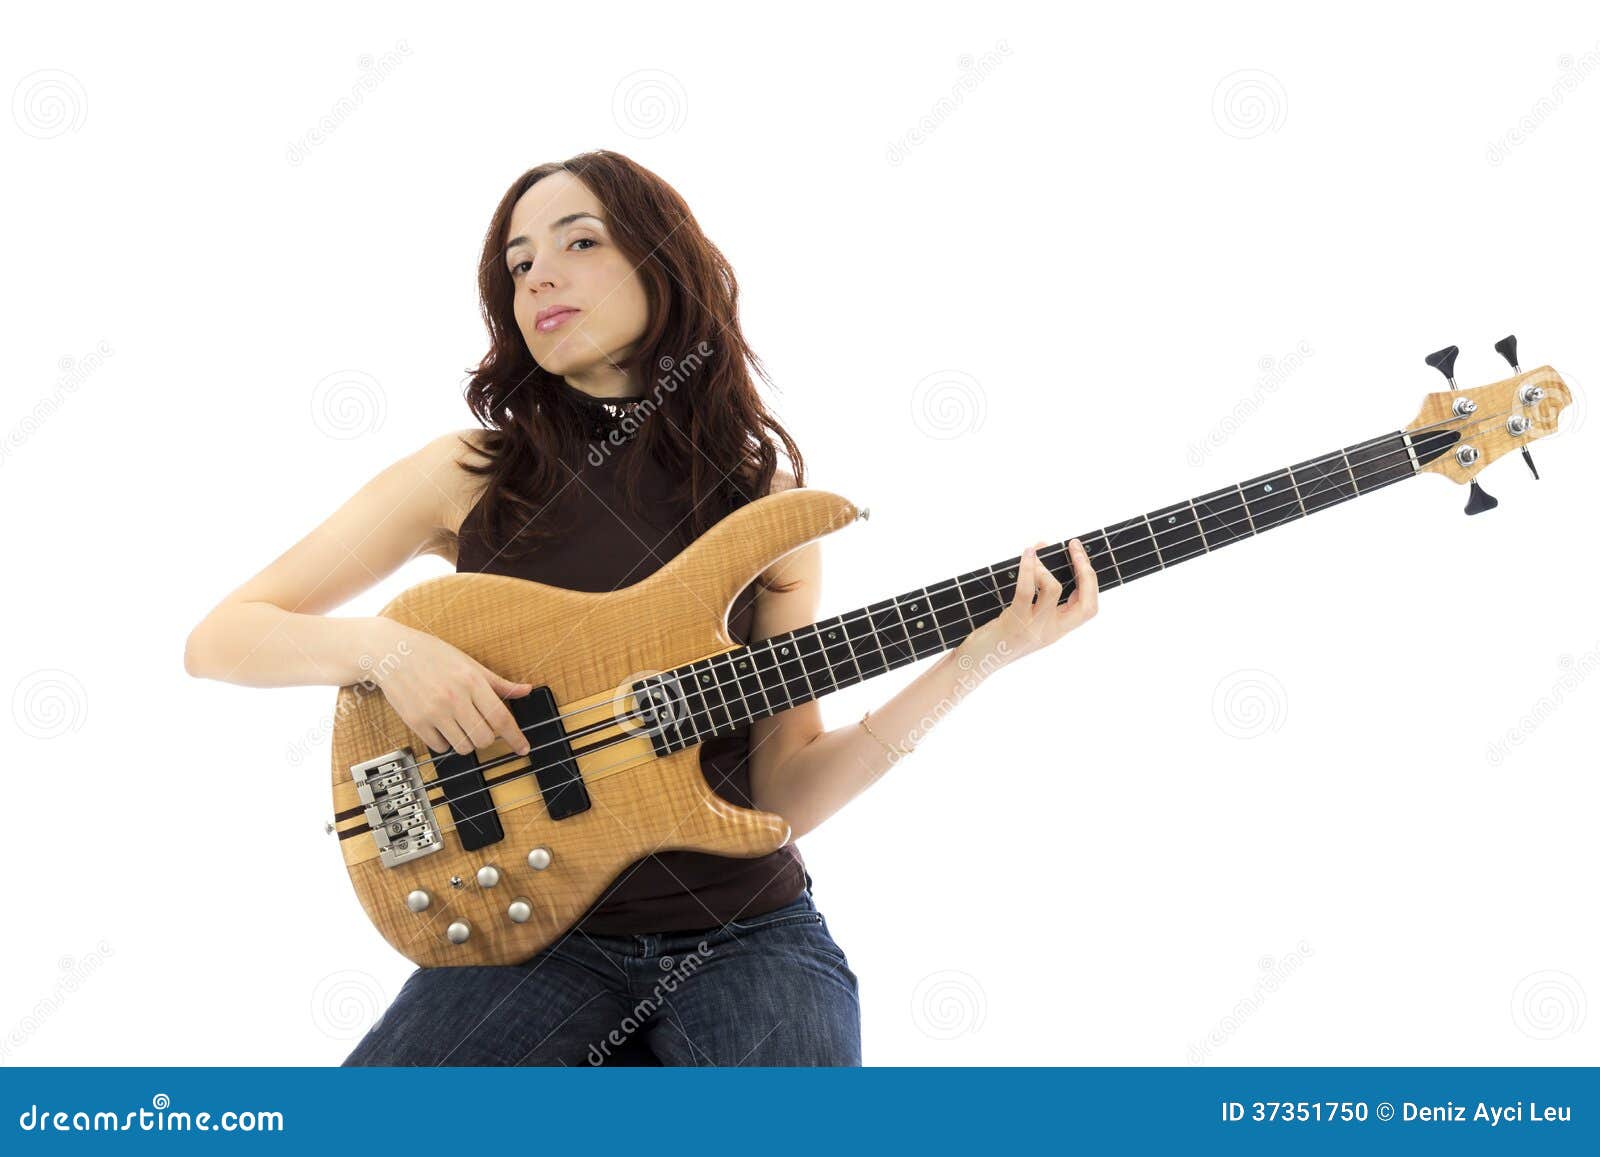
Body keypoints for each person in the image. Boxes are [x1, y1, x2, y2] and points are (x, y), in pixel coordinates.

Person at [183, 149, 1100, 1066]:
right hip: (529, 932)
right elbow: (221, 638)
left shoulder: (765, 505)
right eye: (517, 261)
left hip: (746, 934)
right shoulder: (466, 474)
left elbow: (784, 790)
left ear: (662, 263)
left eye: (579, 240)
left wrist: (978, 656)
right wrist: (385, 653)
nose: (539, 272)